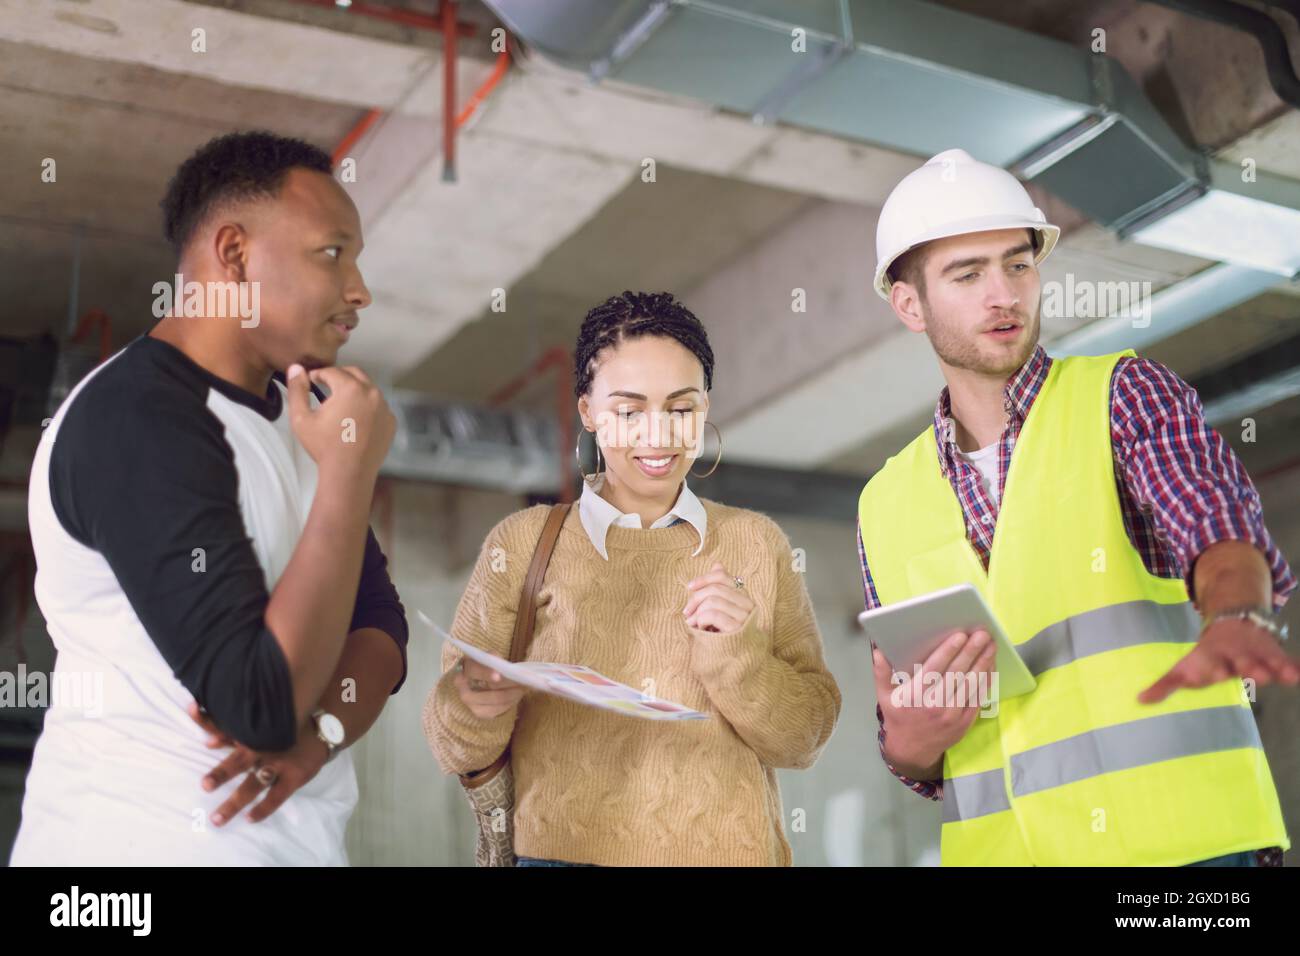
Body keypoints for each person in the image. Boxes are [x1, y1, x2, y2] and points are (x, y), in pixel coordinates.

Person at [859, 148, 1297, 867]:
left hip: (1186, 856)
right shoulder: (884, 502)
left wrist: (1236, 612)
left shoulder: (1122, 396)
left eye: (1017, 264)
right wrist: (910, 738)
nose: (1003, 294)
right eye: (967, 275)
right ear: (910, 304)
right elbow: (917, 750)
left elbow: (1217, 529)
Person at [11, 131, 407, 865]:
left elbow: (380, 627)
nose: (359, 289)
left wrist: (320, 735)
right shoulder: (137, 417)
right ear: (234, 254)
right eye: (332, 253)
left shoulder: (305, 427)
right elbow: (257, 703)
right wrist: (351, 476)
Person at [423, 291, 841, 866]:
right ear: (588, 411)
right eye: (628, 410)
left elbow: (805, 739)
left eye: (680, 407)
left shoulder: (755, 542)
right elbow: (449, 741)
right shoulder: (522, 543)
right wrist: (474, 703)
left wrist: (737, 658)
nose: (659, 434)